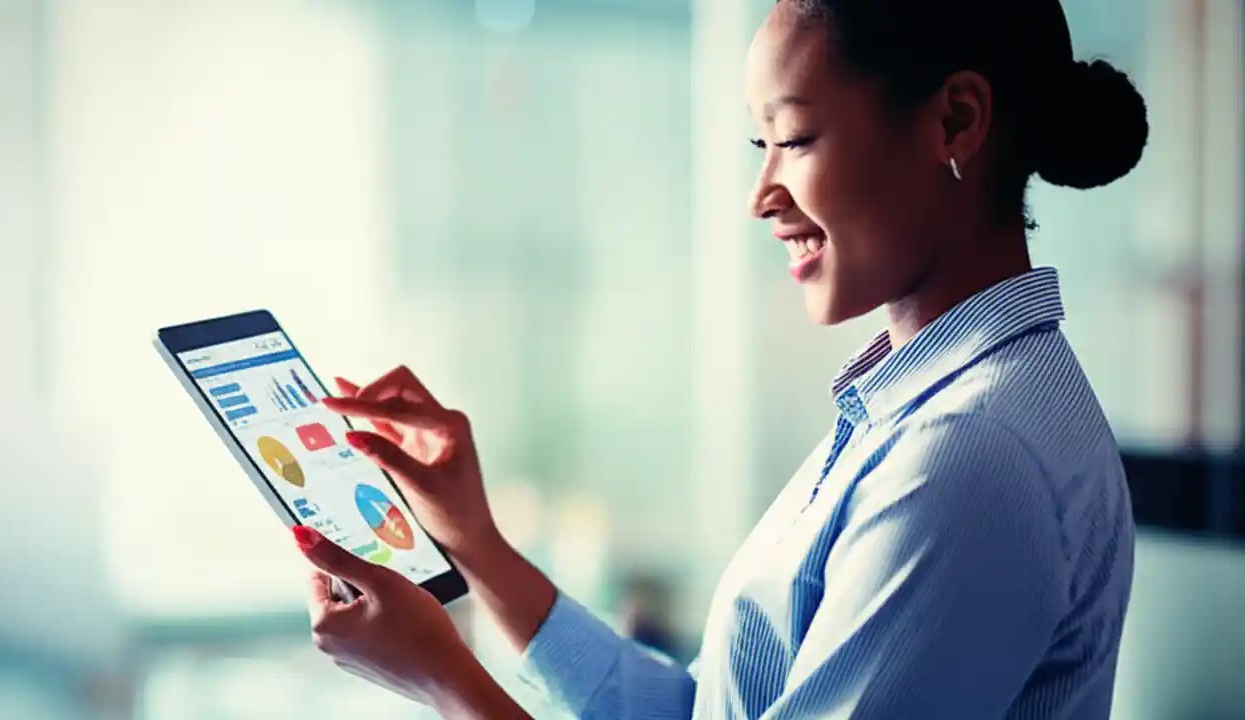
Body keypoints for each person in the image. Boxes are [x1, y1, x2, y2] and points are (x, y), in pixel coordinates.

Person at [289, 0, 1147, 717]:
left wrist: (445, 679)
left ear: (956, 120)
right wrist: (474, 543)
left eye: (797, 139)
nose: (761, 194)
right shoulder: (924, 407)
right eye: (758, 145)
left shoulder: (970, 457)